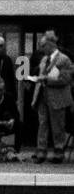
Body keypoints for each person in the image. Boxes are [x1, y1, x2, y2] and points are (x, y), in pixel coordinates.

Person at [29, 30, 72, 164]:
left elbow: (65, 79)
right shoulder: (44, 59)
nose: (41, 49)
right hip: (43, 96)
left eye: (43, 46)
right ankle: (41, 150)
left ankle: (58, 151)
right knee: (43, 124)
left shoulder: (64, 59)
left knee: (57, 125)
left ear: (50, 44)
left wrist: (46, 79)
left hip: (57, 97)